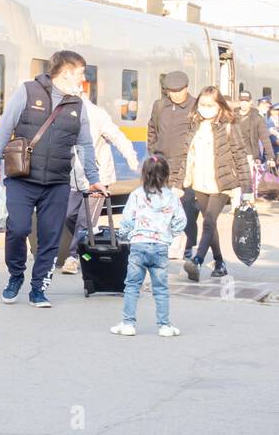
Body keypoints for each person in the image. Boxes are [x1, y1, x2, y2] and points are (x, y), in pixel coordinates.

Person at [0, 51, 105, 308]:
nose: (83, 79)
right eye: (81, 73)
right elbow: (6, 126)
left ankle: (38, 287)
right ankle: (16, 275)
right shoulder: (28, 92)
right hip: (22, 177)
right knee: (18, 228)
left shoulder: (77, 105)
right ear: (66, 73)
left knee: (50, 237)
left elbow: (85, 144)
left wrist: (94, 178)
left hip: (57, 182)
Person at [168, 86, 254, 282]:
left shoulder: (229, 126)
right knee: (210, 224)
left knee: (208, 222)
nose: (204, 108)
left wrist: (247, 190)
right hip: (199, 182)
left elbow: (240, 157)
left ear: (219, 106)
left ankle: (197, 261)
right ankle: (220, 262)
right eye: (202, 104)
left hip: (222, 183)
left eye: (209, 105)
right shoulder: (195, 125)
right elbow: (186, 157)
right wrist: (177, 183)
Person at [58, 94, 139, 274]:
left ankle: (73, 257)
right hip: (74, 178)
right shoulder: (60, 112)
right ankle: (89, 240)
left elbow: (117, 136)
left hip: (98, 178)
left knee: (84, 220)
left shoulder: (97, 114)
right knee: (69, 215)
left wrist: (131, 157)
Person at [111, 155, 186, 338]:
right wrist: (169, 235)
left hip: (138, 245)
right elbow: (180, 222)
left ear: (144, 174)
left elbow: (127, 221)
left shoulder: (136, 195)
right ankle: (164, 326)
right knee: (160, 288)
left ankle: (128, 324)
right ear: (166, 174)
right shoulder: (172, 197)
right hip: (160, 247)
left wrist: (125, 236)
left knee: (132, 286)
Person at [147, 71, 199, 260]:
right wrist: (153, 155)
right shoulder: (160, 105)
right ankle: (164, 242)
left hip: (187, 164)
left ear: (187, 88)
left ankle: (188, 245)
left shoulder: (195, 106)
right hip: (162, 165)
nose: (175, 95)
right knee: (160, 206)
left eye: (179, 91)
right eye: (171, 91)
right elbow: (152, 128)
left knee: (187, 207)